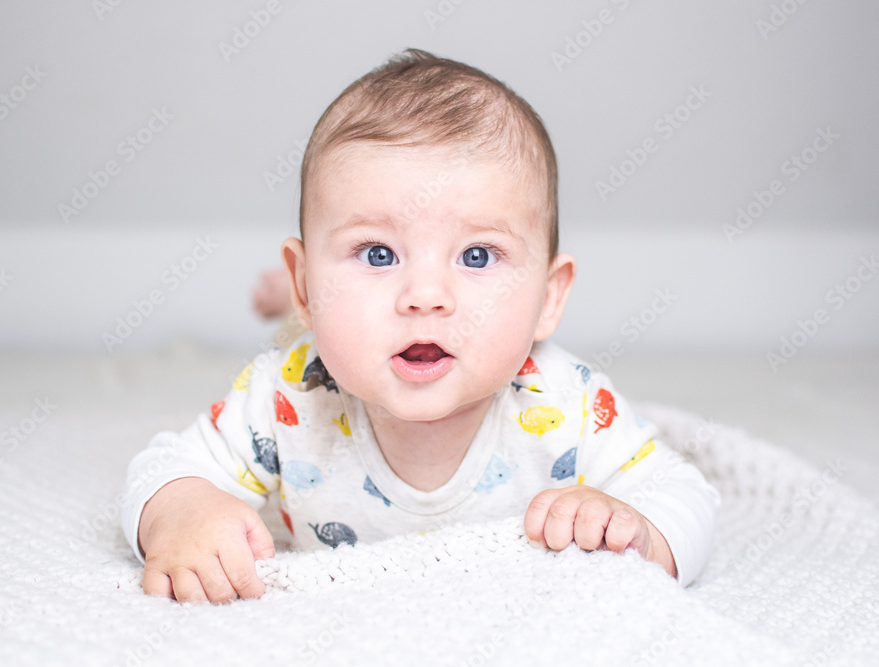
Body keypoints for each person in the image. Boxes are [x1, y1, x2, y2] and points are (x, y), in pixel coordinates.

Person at [121, 48, 720, 604]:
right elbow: (164, 468)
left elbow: (687, 496)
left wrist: (637, 529)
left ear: (547, 297)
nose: (426, 297)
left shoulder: (566, 405)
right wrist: (182, 509)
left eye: (477, 256)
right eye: (377, 254)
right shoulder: (288, 394)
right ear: (304, 287)